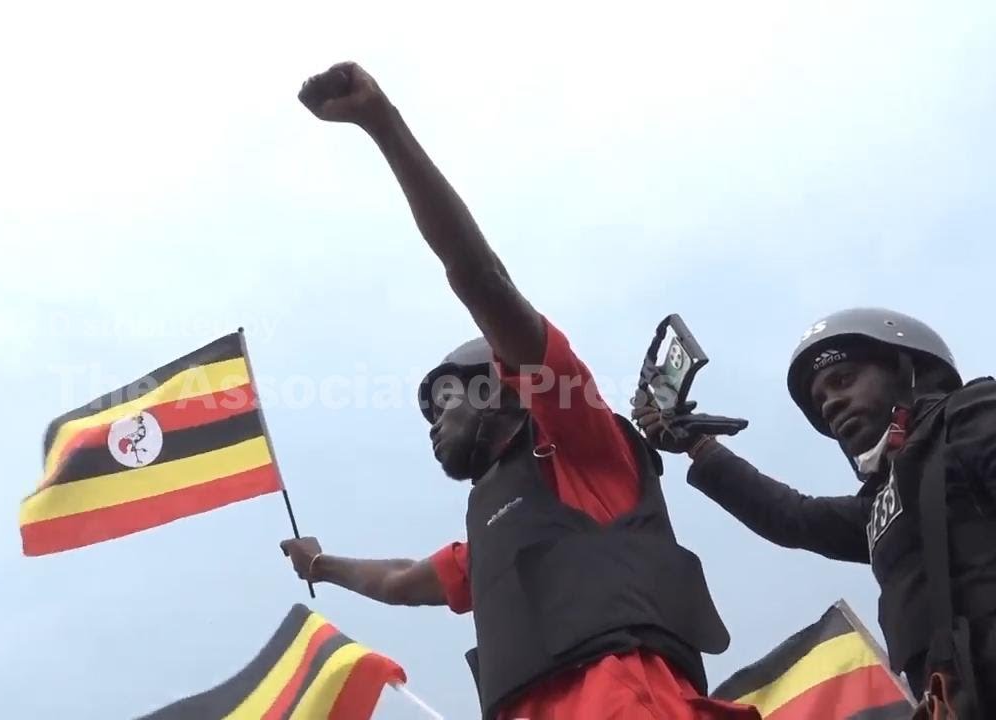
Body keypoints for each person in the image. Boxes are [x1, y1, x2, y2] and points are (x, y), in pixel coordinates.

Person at [280, 61, 759, 720]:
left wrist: (380, 124)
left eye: (449, 396)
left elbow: (478, 277)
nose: (434, 420)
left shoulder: (578, 442)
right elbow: (396, 581)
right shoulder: (497, 536)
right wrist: (322, 564)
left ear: (503, 388)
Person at [632, 307, 996, 716]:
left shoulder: (972, 412)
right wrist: (697, 447)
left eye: (843, 380)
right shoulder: (879, 504)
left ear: (905, 371)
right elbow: (795, 518)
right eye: (821, 401)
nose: (832, 404)